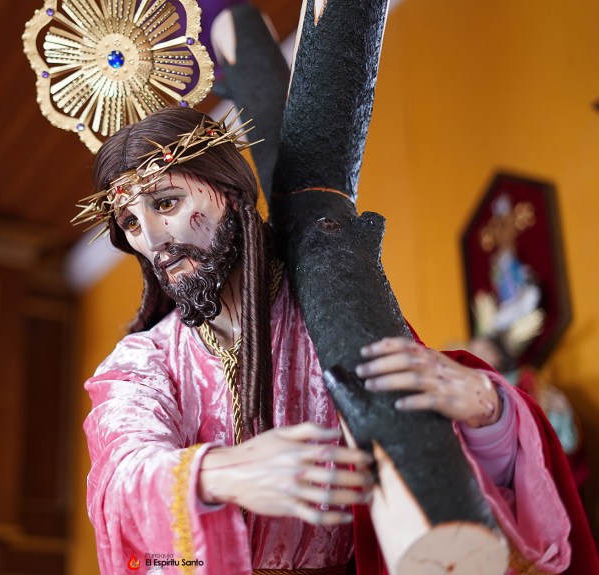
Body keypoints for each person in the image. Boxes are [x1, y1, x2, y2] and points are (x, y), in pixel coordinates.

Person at [80, 107, 593, 574]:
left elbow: (437, 466)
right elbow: (122, 480)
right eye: (129, 222)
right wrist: (217, 473)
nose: (151, 238)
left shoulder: (333, 315)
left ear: (229, 193)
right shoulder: (140, 365)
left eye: (165, 202)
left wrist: (489, 410)